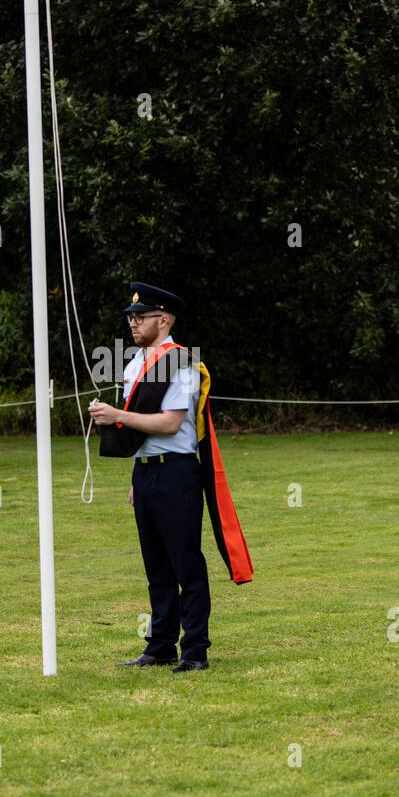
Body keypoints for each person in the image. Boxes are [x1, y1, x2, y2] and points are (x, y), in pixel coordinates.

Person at [90, 282, 253, 674]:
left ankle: (195, 649)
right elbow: (144, 433)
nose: (132, 322)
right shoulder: (135, 363)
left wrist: (117, 416)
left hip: (177, 472)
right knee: (156, 565)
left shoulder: (180, 362)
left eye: (140, 316)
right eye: (130, 316)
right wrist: (135, 477)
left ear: (163, 320)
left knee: (185, 564)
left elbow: (169, 423)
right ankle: (160, 644)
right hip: (146, 473)